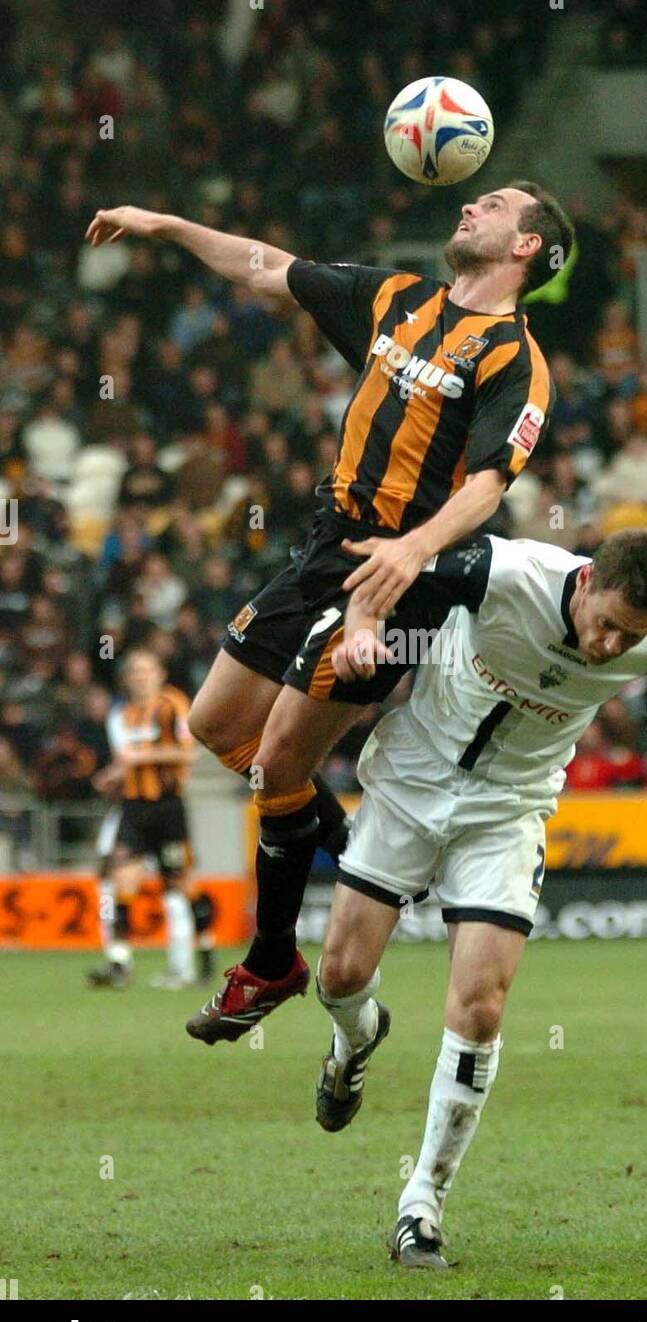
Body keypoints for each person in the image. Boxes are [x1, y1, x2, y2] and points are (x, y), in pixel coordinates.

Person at [85, 185, 573, 1041]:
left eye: (492, 205)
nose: (469, 207)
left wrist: (413, 551)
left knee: (276, 765)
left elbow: (493, 483)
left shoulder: (515, 359)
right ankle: (365, 859)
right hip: (327, 545)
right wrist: (166, 225)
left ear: (527, 247)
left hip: (399, 580)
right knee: (216, 726)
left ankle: (271, 960)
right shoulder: (397, 300)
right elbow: (264, 267)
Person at [311, 528, 647, 1267]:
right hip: (414, 778)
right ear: (583, 585)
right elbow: (397, 565)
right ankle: (356, 1038)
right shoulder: (504, 571)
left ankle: (423, 1202)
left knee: (481, 1004)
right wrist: (364, 629)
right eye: (605, 623)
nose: (610, 646)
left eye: (629, 636)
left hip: (509, 810)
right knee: (341, 976)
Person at [86, 648, 207, 989]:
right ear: (127, 678)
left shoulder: (173, 705)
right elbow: (127, 760)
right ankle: (120, 964)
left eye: (146, 670)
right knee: (120, 882)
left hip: (168, 808)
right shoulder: (121, 714)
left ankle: (203, 958)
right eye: (135, 671)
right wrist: (112, 774)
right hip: (134, 809)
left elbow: (187, 752)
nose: (141, 676)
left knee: (180, 886)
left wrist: (139, 757)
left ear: (160, 673)